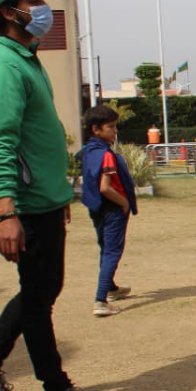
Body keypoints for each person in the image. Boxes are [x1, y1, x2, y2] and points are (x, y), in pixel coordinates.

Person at [0, 0, 109, 391]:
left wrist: (56, 195)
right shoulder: (3, 65)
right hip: (24, 203)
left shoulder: (24, 56)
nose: (43, 8)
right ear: (9, 12)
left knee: (40, 290)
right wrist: (6, 212)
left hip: (43, 199)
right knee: (39, 295)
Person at [76, 105, 138, 318]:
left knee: (105, 247)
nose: (115, 131)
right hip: (113, 208)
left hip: (97, 208)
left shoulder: (87, 151)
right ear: (96, 129)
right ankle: (101, 300)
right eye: (110, 127)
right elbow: (105, 187)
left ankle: (110, 288)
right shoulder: (106, 155)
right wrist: (123, 203)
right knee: (113, 251)